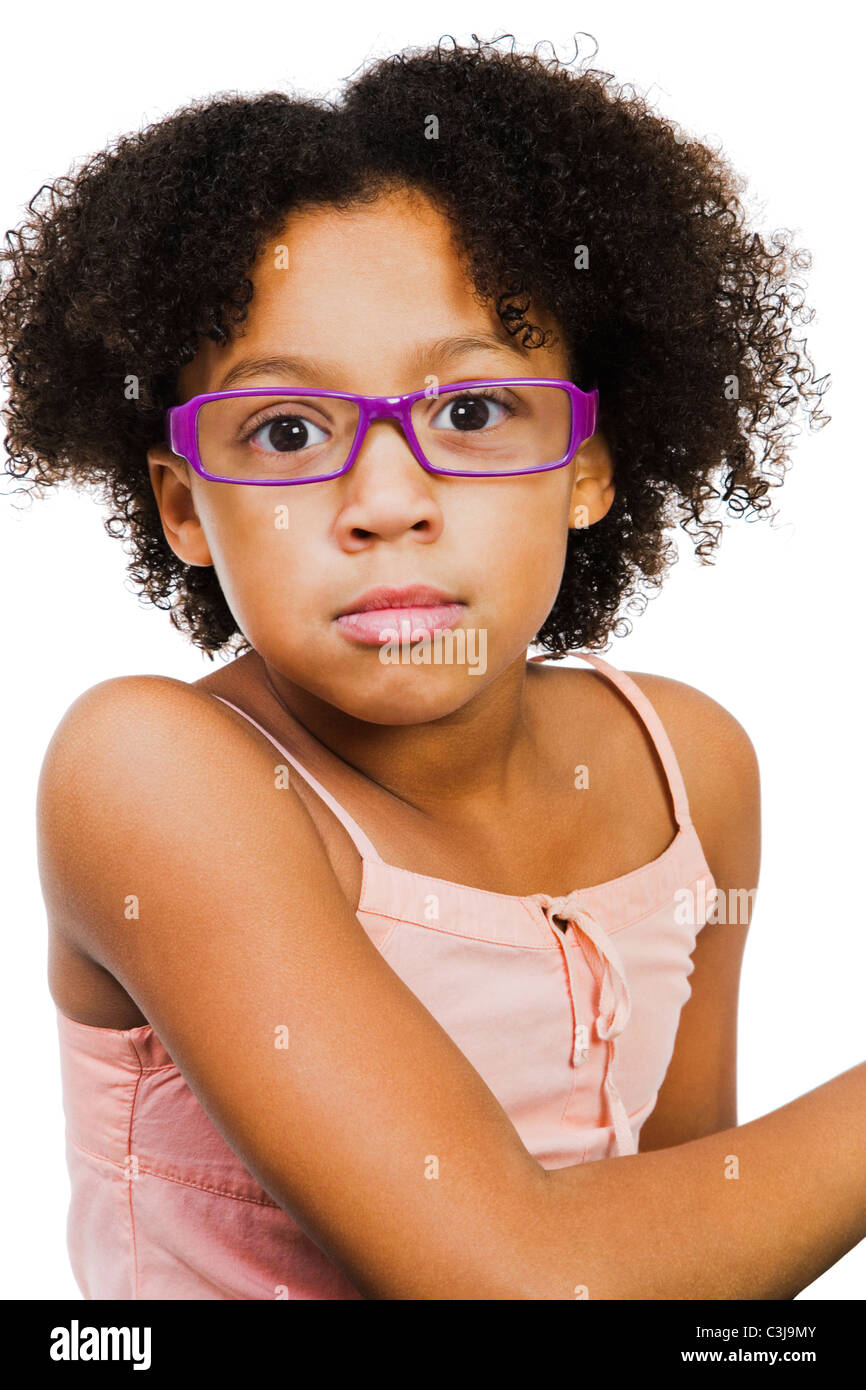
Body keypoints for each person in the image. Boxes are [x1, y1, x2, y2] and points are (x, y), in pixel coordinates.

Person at [2, 37, 862, 1300]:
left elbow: (698, 1246)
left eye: (468, 412)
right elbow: (513, 1281)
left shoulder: (685, 767)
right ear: (186, 510)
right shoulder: (152, 773)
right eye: (289, 431)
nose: (386, 500)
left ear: (587, 464)